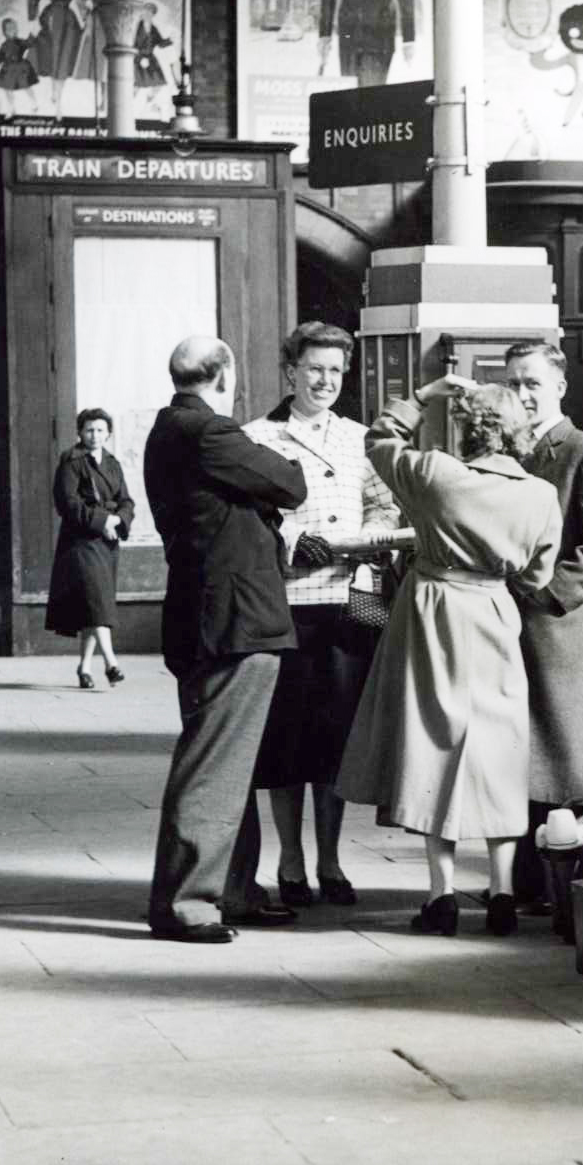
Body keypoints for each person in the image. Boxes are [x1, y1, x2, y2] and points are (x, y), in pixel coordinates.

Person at [335, 376, 560, 938]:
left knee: (438, 745)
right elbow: (537, 575)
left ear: (467, 428)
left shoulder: (436, 474)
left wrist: (423, 394)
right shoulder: (539, 495)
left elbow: (379, 440)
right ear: (519, 431)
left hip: (433, 614)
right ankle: (503, 892)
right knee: (499, 750)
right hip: (494, 615)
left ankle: (441, 898)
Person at [143, 338, 308, 944]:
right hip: (234, 622)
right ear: (224, 374)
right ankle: (187, 903)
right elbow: (290, 484)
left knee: (224, 760)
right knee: (214, 764)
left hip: (204, 616)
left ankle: (233, 888)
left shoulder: (172, 429)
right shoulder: (209, 432)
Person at [242, 324, 401, 909]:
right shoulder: (257, 437)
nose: (326, 381)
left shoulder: (361, 439)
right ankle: (290, 860)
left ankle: (331, 860)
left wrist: (373, 539)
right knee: (287, 742)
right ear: (290, 371)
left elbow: (385, 506)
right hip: (287, 610)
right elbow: (249, 518)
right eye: (315, 369)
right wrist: (289, 539)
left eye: (336, 371)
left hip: (348, 606)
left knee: (334, 743)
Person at [503, 341, 583, 920]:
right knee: (519, 759)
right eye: (514, 384)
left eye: (532, 384)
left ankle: (565, 895)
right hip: (509, 629)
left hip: (558, 631)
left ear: (560, 387)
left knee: (558, 767)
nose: (522, 395)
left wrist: (541, 592)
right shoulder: (507, 450)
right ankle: (529, 886)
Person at [47, 408, 135, 689]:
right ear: (79, 432)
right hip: (81, 542)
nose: (94, 435)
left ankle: (84, 667)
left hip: (107, 543)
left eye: (100, 430)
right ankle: (111, 663)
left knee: (93, 605)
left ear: (108, 433)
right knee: (97, 601)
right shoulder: (71, 462)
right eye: (89, 430)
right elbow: (68, 504)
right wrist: (102, 521)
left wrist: (118, 520)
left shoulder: (113, 463)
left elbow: (127, 501)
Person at [28, 0, 86, 114]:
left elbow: (81, 0)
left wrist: (84, 15)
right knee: (53, 53)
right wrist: (32, 19)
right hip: (53, 17)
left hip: (69, 20)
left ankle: (58, 97)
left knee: (66, 55)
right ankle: (54, 94)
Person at [0, 17, 39, 116]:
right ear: (4, 32)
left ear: (16, 29)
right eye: (9, 29)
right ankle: (11, 107)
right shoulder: (4, 44)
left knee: (26, 86)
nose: (12, 31)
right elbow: (0, 54)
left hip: (20, 68)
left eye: (14, 28)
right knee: (7, 89)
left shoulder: (19, 42)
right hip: (8, 69)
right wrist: (0, 60)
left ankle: (34, 103)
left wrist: (33, 34)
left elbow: (28, 43)